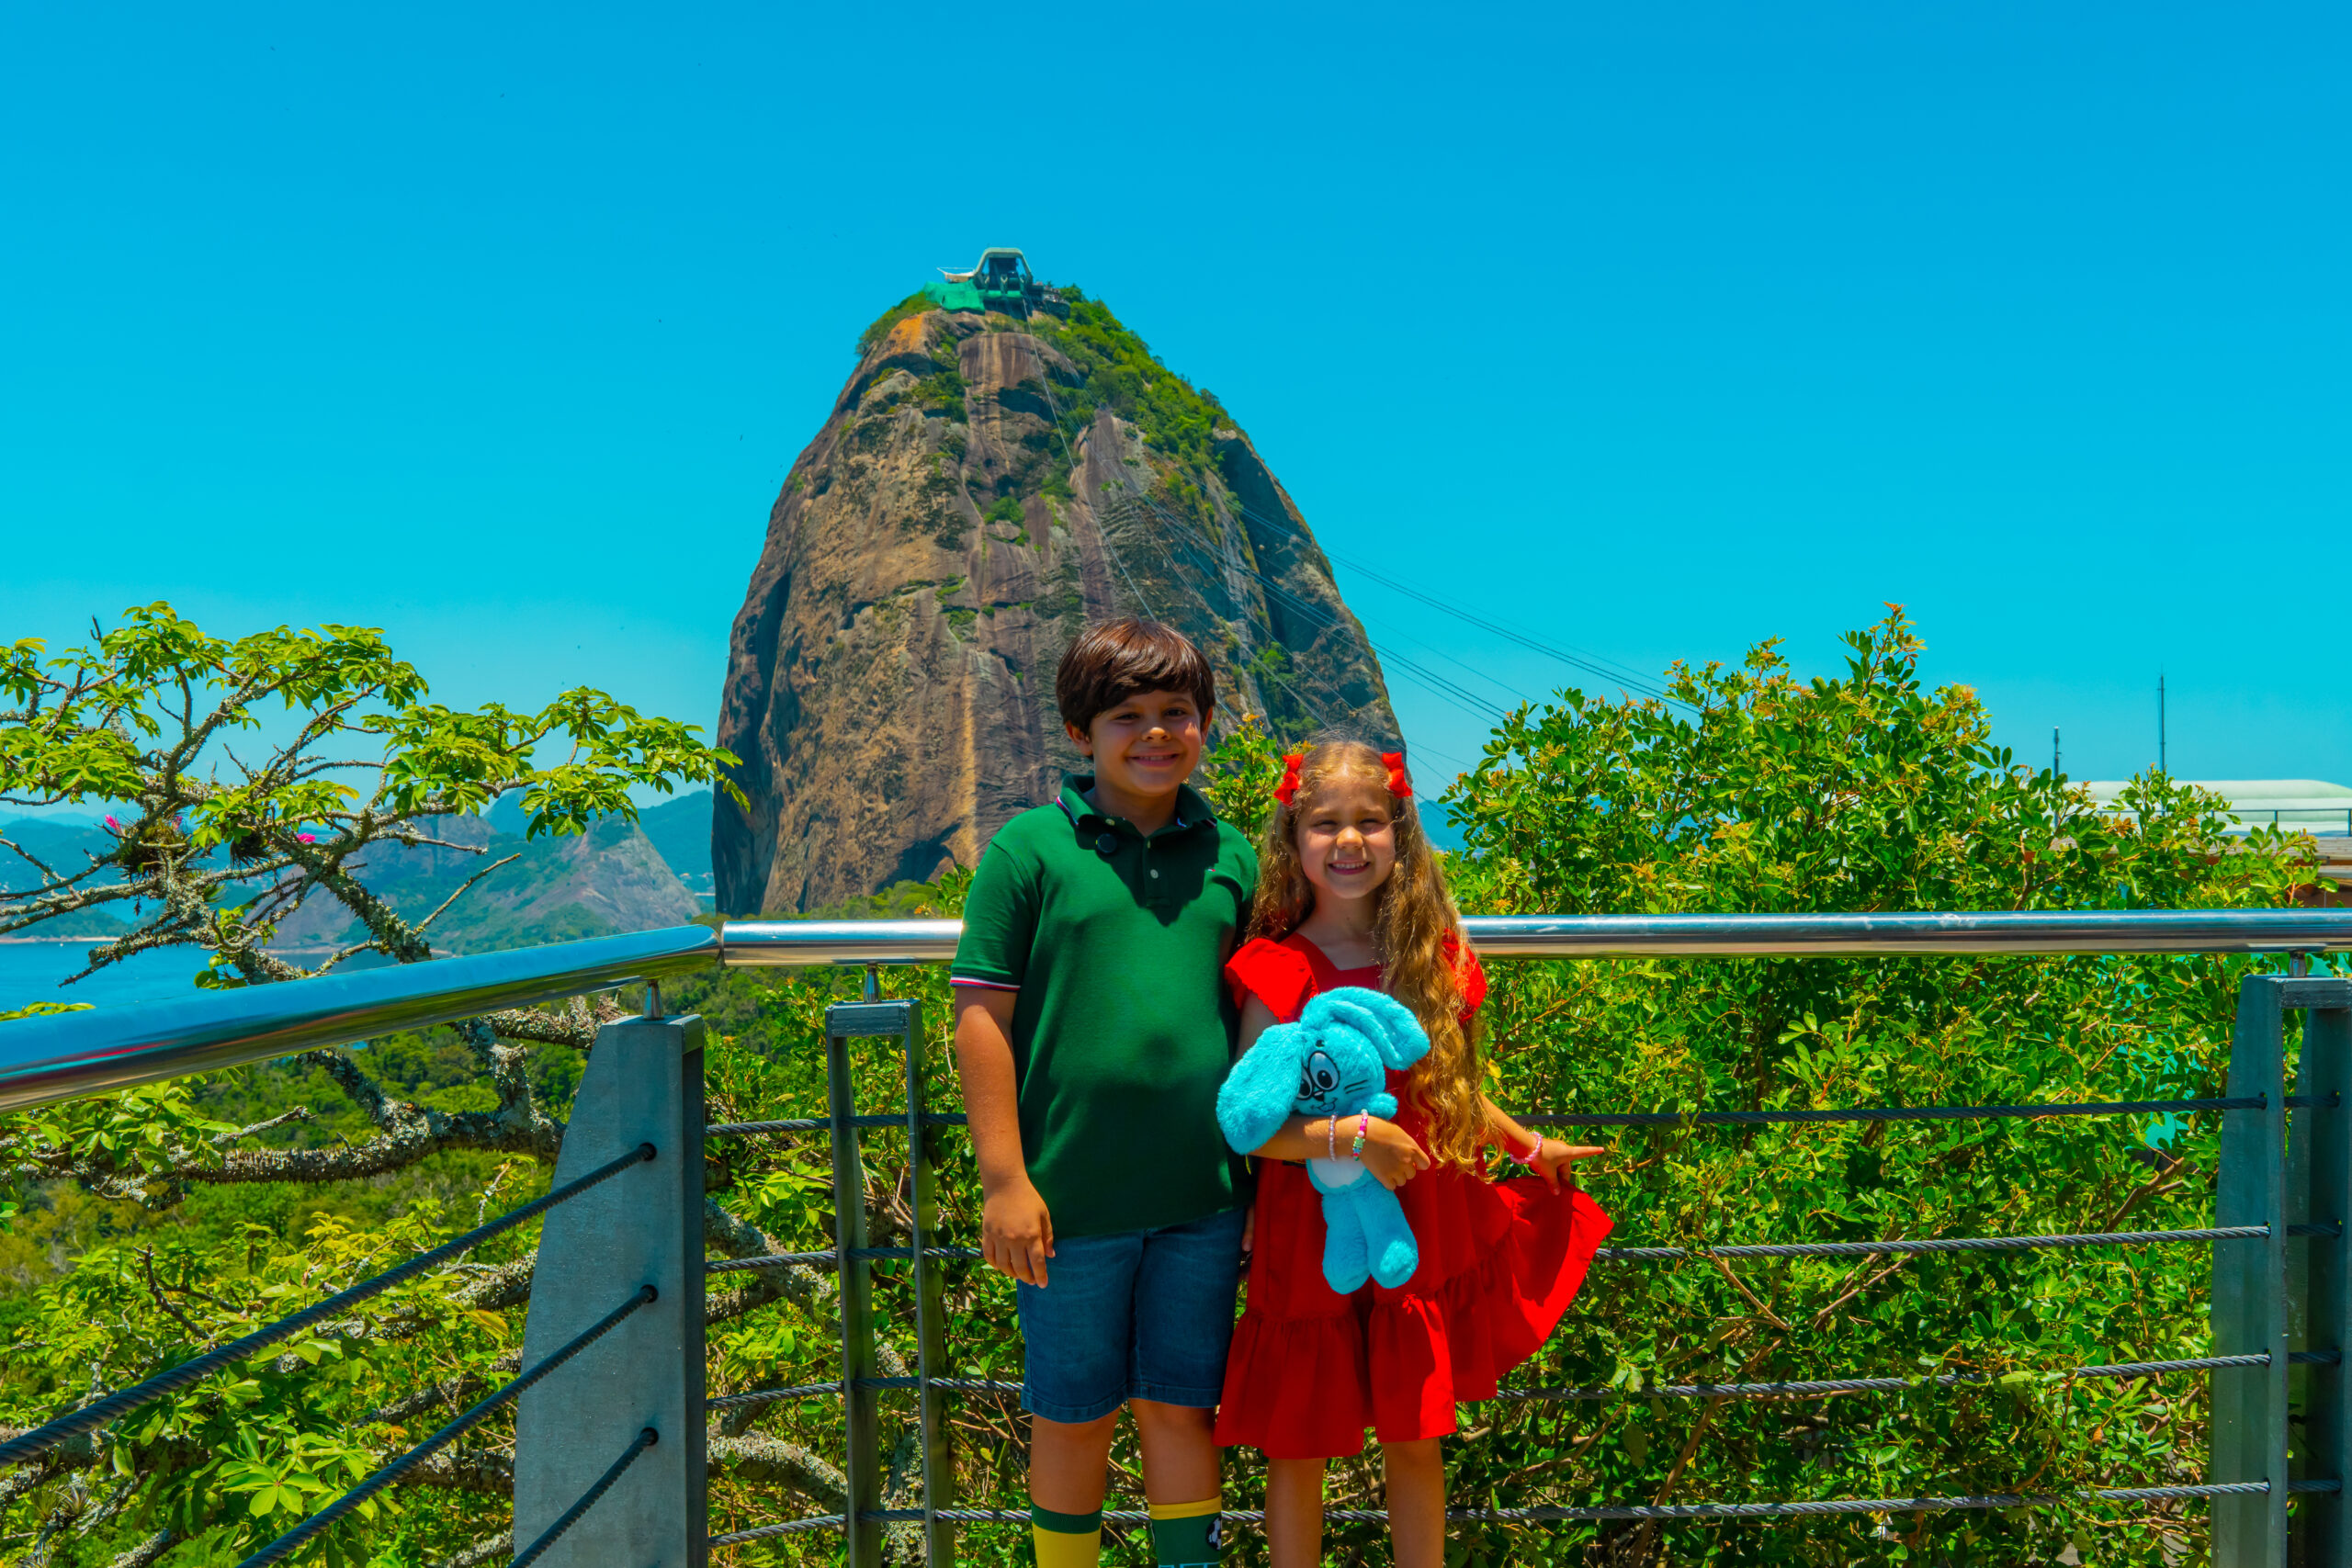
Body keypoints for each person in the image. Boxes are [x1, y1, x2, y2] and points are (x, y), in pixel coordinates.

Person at [1215, 741, 1614, 1568]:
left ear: (1402, 835)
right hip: (1307, 1226)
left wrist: (1528, 1144)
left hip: (1422, 1215)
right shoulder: (1274, 968)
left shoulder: (1430, 958)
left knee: (1414, 1431)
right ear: (1294, 839)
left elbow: (1449, 1090)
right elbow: (1250, 1124)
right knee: (1298, 1442)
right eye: (1325, 824)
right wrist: (1353, 1136)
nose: (1349, 841)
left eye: (1370, 822)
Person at [952, 619, 1258, 1568]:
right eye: (1127, 716)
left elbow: (1257, 1013)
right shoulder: (1029, 851)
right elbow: (979, 1017)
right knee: (1073, 1416)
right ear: (1080, 734)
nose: (1155, 734)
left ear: (1206, 724)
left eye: (1177, 713)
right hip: (1066, 1208)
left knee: (1181, 1410)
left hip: (1202, 1203)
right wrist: (1005, 1180)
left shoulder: (1232, 855)